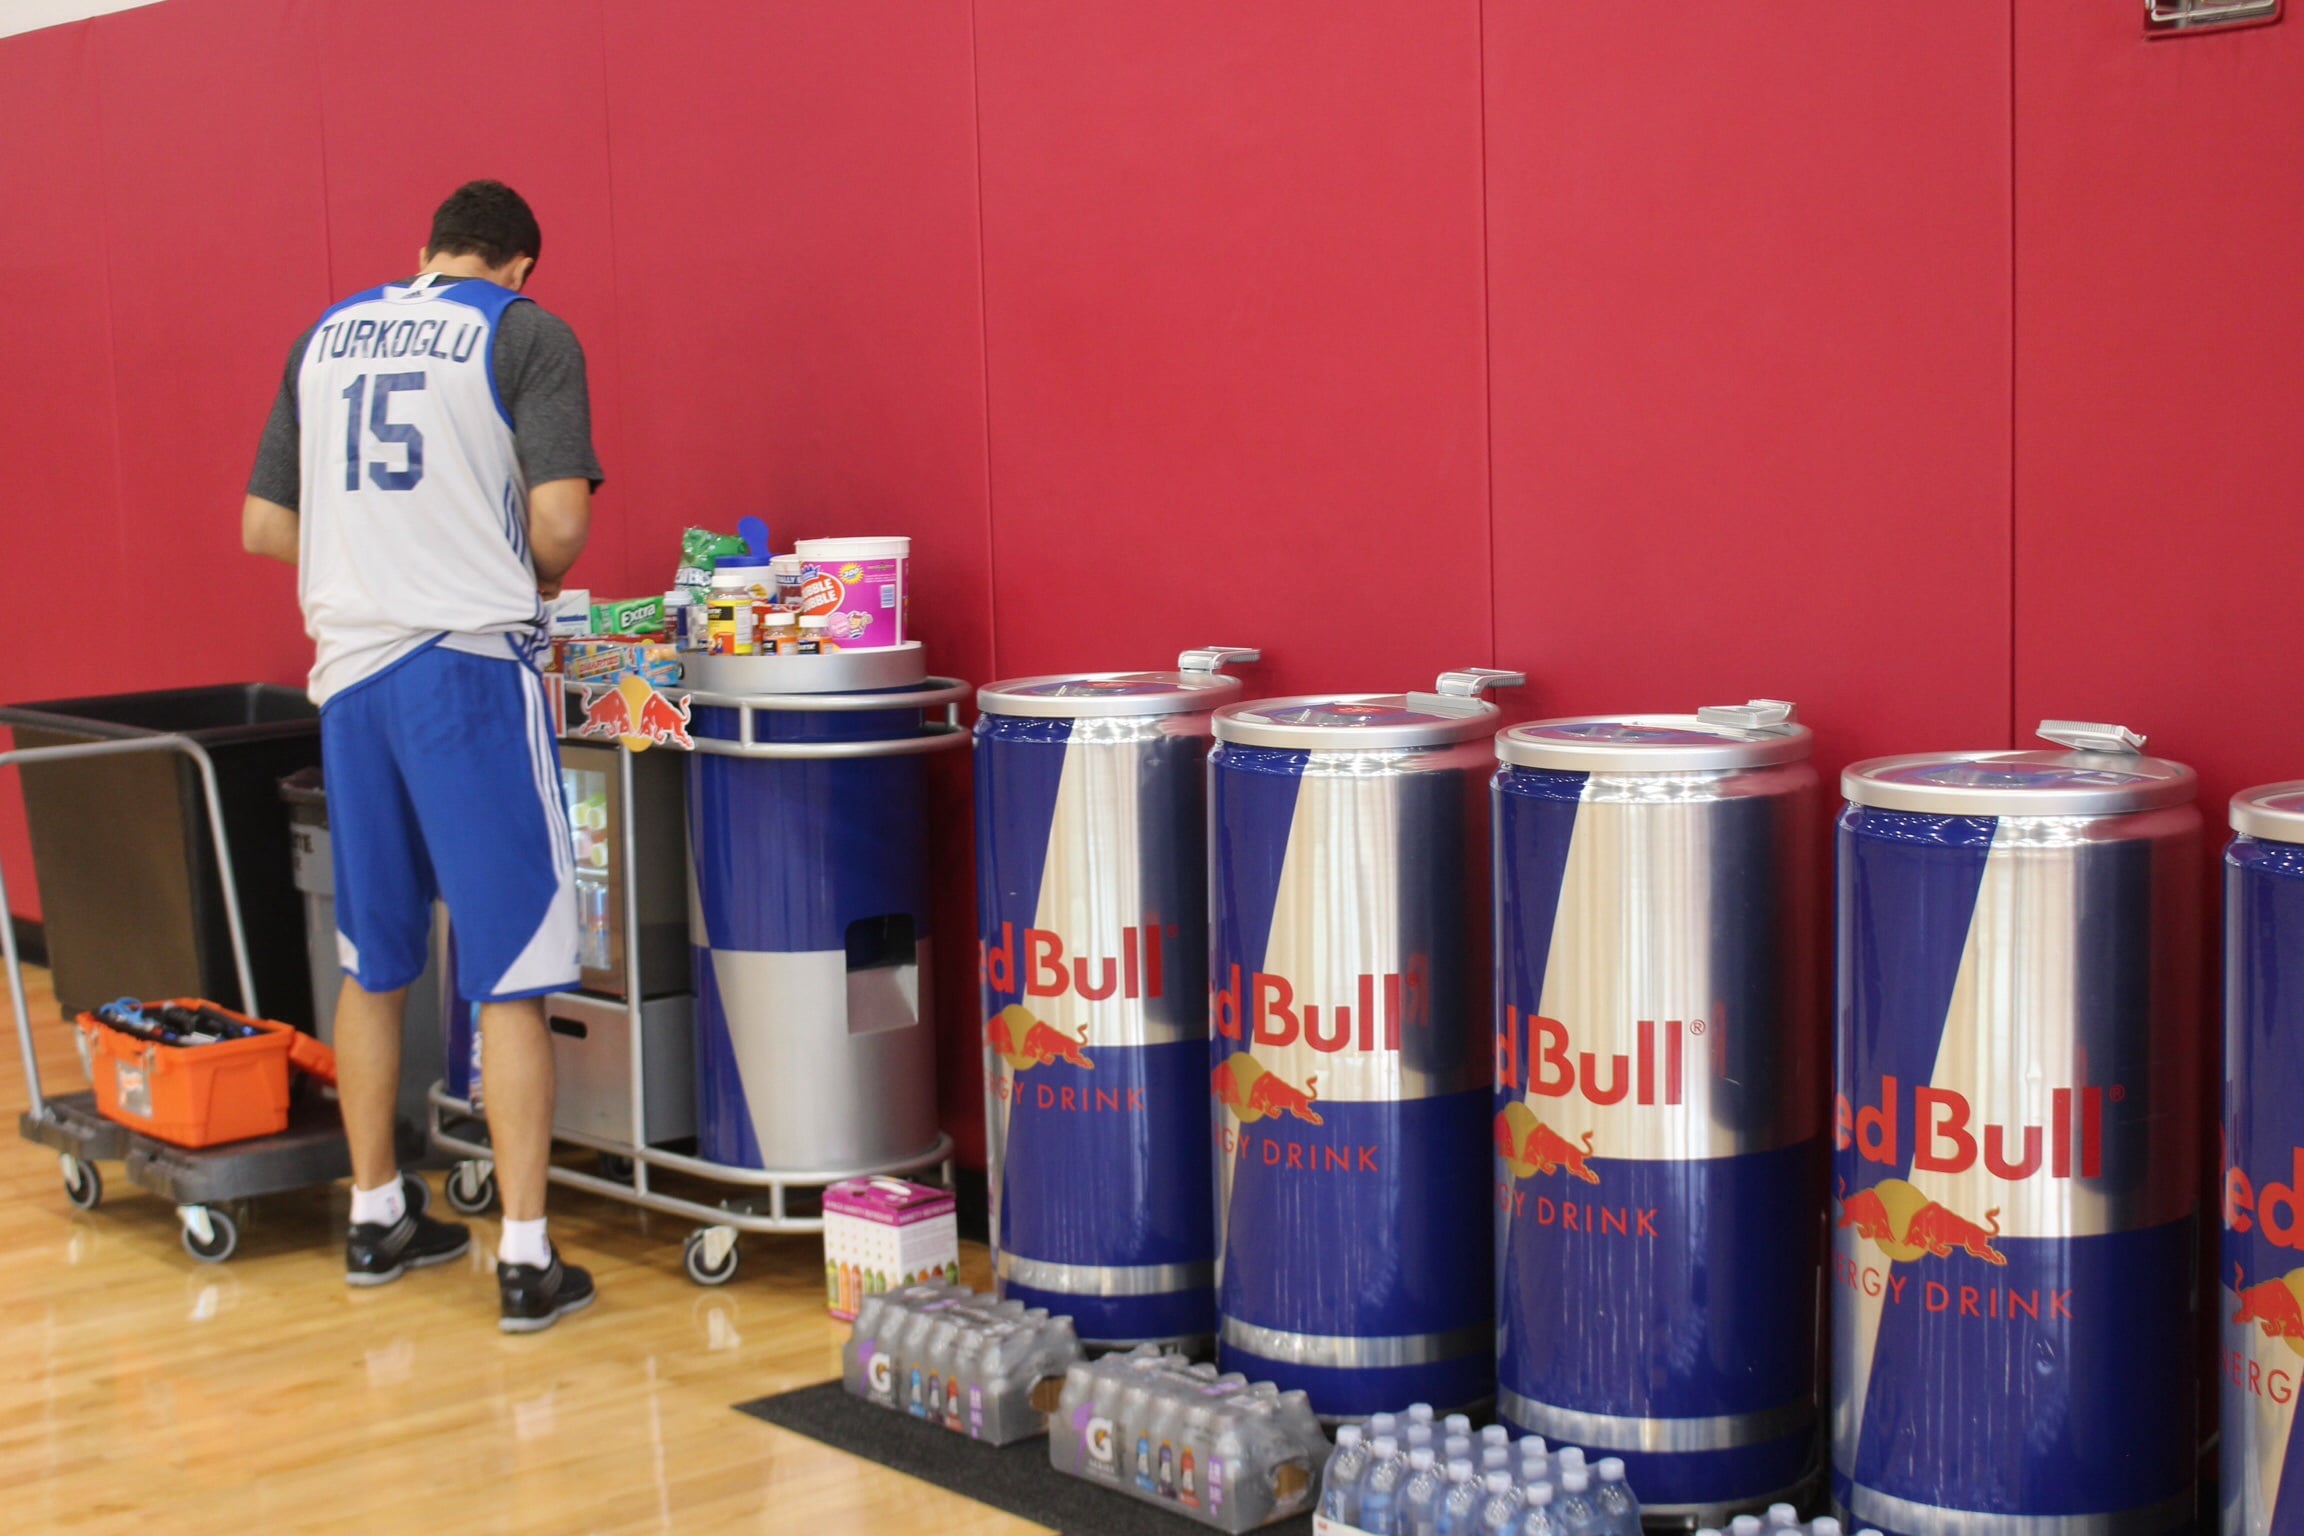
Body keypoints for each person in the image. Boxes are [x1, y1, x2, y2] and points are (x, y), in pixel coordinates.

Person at [242, 180, 600, 1331]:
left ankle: (377, 1213)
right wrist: (509, 569)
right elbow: (558, 526)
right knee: (512, 965)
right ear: (519, 268)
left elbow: (263, 526)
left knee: (373, 954)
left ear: (426, 249)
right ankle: (528, 1257)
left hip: (348, 679)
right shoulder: (525, 332)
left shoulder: (325, 332)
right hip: (463, 673)